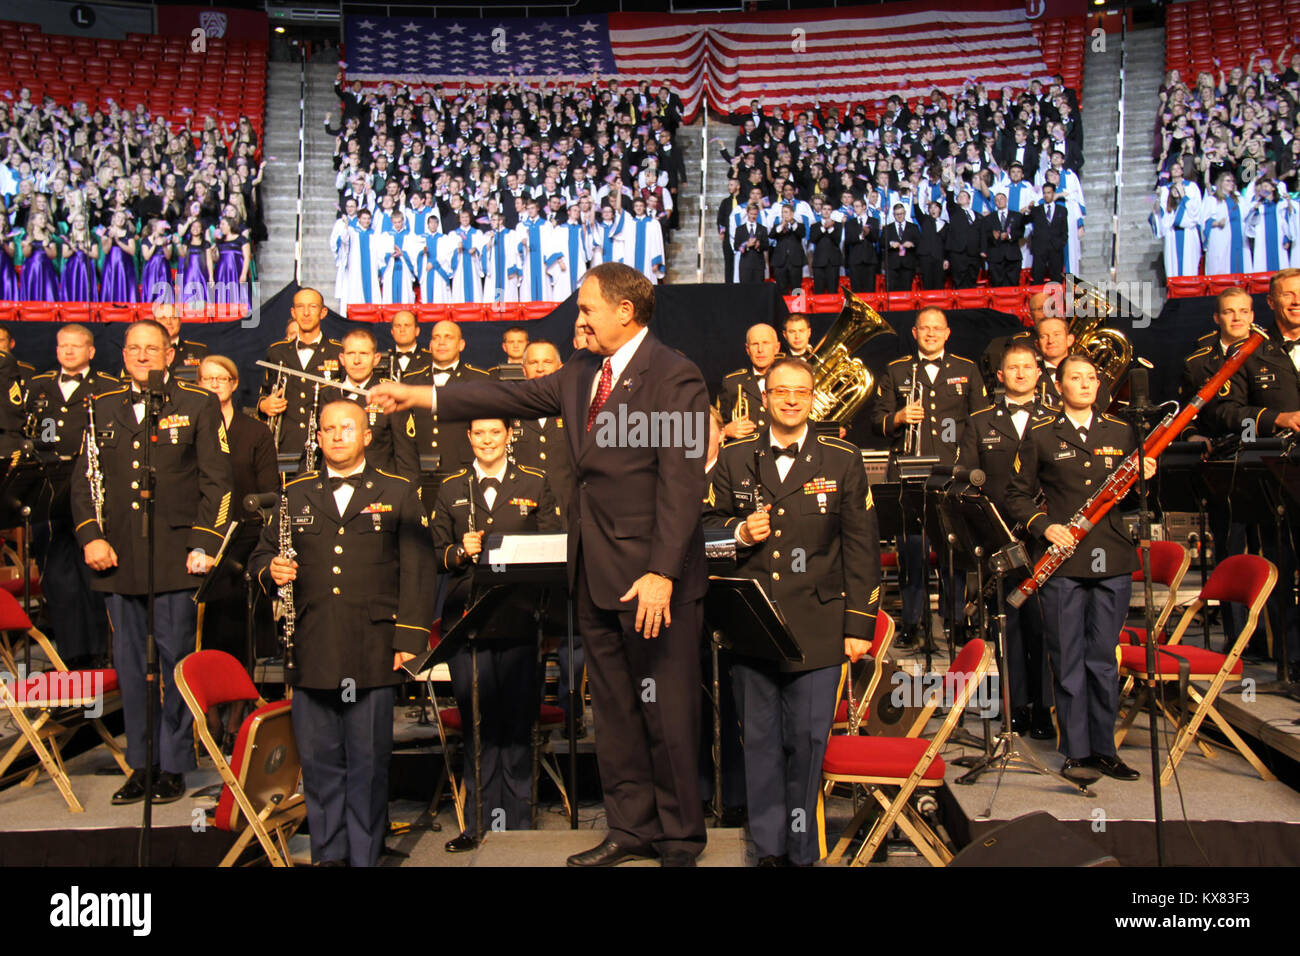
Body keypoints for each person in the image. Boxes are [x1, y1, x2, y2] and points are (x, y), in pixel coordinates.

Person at [369, 262, 710, 867]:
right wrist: (417, 394)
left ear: (624, 312)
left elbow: (681, 487)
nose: (577, 319)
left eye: (586, 309)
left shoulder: (675, 377)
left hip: (654, 583)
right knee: (616, 717)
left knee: (666, 714)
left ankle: (679, 840)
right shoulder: (581, 373)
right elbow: (505, 394)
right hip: (594, 576)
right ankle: (630, 831)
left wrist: (661, 573)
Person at [704, 357, 880, 865]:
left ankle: (803, 852)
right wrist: (737, 533)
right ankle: (768, 850)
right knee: (758, 745)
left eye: (800, 392)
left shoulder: (842, 458)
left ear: (812, 398)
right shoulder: (735, 459)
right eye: (780, 391)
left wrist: (859, 625)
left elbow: (862, 549)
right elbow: (701, 530)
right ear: (765, 398)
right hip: (752, 625)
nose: (790, 400)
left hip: (819, 626)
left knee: (805, 744)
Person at [251, 400, 435, 866]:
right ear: (317, 437)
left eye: (347, 428)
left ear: (367, 435)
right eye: (328, 429)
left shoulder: (397, 490)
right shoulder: (293, 493)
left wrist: (409, 640)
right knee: (318, 765)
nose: (337, 436)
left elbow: (418, 571)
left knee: (369, 766)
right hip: (311, 648)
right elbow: (260, 557)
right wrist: (270, 571)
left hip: (372, 649)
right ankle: (328, 856)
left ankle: (364, 856)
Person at [71, 319, 233, 804]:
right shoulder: (101, 408)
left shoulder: (198, 403)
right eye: (134, 349)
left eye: (152, 348)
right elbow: (85, 483)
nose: (143, 356)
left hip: (176, 560)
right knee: (130, 665)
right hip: (118, 559)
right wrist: (91, 538)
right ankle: (140, 764)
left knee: (174, 664)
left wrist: (204, 544)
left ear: (169, 354)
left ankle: (175, 763)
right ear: (123, 355)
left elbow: (218, 482)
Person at [1005, 354, 1155, 783]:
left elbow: (1131, 499)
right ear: (1059, 384)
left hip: (1112, 557)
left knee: (1103, 660)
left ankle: (1105, 749)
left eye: (1092, 377)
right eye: (1076, 377)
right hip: (1064, 563)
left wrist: (1145, 476)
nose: (1086, 383)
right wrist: (1044, 527)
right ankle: (1075, 750)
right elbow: (1016, 494)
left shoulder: (1123, 430)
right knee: (1067, 658)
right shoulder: (1040, 434)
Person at [432, 417, 562, 850]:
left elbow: (554, 549)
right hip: (467, 625)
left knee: (518, 725)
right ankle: (480, 825)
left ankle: (519, 827)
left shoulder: (536, 482)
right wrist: (457, 551)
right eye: (479, 434)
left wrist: (551, 625)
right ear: (469, 438)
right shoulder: (451, 486)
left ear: (509, 436)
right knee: (479, 725)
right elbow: (432, 553)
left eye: (496, 433)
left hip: (522, 620)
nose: (488, 440)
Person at [870, 308, 985, 646]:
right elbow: (875, 423)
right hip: (909, 475)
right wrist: (898, 417)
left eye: (937, 329)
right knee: (912, 551)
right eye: (925, 328)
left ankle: (955, 622)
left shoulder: (967, 369)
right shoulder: (897, 370)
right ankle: (911, 623)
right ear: (915, 332)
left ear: (947, 333)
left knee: (953, 551)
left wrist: (969, 468)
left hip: (951, 474)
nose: (931, 334)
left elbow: (979, 422)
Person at [957, 342, 1053, 737]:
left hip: (1046, 541)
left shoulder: (1058, 418)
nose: (1020, 374)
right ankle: (1016, 706)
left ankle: (1046, 709)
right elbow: (966, 480)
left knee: (1044, 628)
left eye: (1027, 367)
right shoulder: (978, 422)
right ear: (1000, 375)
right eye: (1012, 368)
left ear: (1038, 372)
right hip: (1000, 541)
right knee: (1007, 628)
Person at [1216, 269, 1300, 672]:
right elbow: (1228, 411)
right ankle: (1291, 661)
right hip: (1280, 478)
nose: (1296, 301)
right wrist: (1277, 417)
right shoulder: (1252, 351)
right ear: (1271, 303)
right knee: (1281, 569)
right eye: (1287, 295)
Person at [26, 324, 119, 668]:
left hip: (91, 494)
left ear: (90, 352)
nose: (67, 351)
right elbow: (33, 436)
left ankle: (101, 652)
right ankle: (70, 655)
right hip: (48, 493)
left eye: (75, 346)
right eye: (62, 346)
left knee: (92, 574)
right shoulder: (39, 387)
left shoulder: (107, 388)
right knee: (58, 579)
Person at [257, 287, 344, 459]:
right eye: (300, 307)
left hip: (328, 444)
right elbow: (264, 393)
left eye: (312, 307)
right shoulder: (276, 352)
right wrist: (264, 405)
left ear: (323, 312)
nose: (306, 313)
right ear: (293, 312)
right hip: (287, 443)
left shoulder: (338, 352)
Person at [325, 328, 419, 479]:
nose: (357, 361)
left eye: (364, 354)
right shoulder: (326, 394)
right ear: (342, 358)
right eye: (351, 354)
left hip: (379, 492)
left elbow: (406, 458)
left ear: (376, 359)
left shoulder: (391, 394)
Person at [718, 323, 778, 440]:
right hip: (745, 455)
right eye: (755, 344)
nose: (760, 350)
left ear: (776, 348)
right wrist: (726, 431)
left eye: (766, 343)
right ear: (747, 349)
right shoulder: (731, 383)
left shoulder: (790, 379)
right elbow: (718, 425)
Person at [152, 300, 209, 377]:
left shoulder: (200, 351)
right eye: (163, 318)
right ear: (155, 323)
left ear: (179, 321)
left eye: (173, 318)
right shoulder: (146, 352)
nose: (169, 322)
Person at [1028, 184, 1067, 283]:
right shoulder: (1036, 210)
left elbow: (1064, 230)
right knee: (1038, 276)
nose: (1046, 195)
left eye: (1048, 193)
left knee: (1056, 277)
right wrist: (1028, 210)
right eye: (1044, 193)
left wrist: (1060, 243)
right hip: (1040, 249)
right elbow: (1024, 221)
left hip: (1056, 248)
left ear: (1053, 193)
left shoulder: (1062, 210)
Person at [768, 204, 806, 296]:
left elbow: (801, 234)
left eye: (786, 212)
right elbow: (771, 235)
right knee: (781, 288)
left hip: (795, 261)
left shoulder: (799, 225)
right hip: (780, 262)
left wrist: (792, 223)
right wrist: (782, 226)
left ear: (792, 214)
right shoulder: (778, 226)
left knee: (796, 289)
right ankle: (783, 309)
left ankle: (797, 309)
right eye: (782, 213)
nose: (784, 215)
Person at [734, 203, 769, 284]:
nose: (753, 216)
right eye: (751, 214)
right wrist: (746, 246)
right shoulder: (740, 229)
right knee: (746, 290)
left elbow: (766, 246)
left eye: (755, 214)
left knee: (759, 290)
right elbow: (736, 246)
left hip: (758, 265)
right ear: (747, 213)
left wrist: (759, 245)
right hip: (745, 265)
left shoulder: (762, 229)